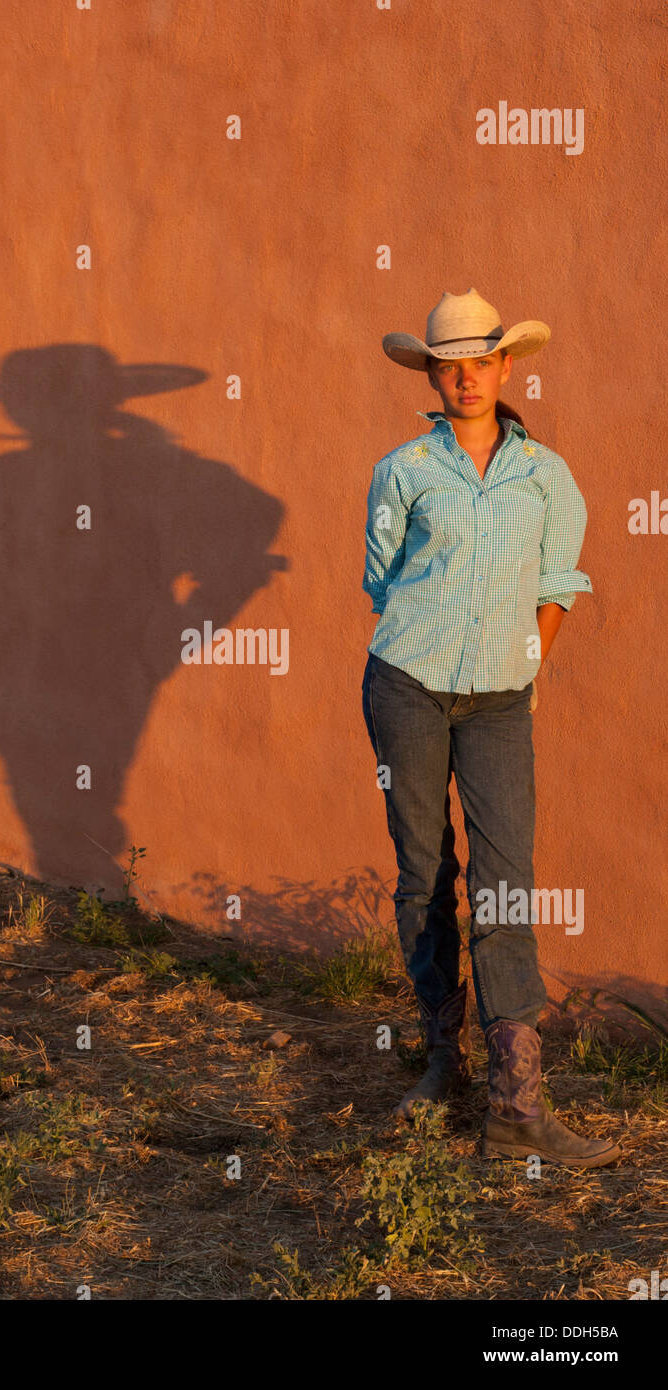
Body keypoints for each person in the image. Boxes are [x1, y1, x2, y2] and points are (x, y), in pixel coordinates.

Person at [361, 287, 620, 1168]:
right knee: (424, 868)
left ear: (507, 368)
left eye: (482, 361)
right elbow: (381, 578)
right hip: (407, 684)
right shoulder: (402, 471)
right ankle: (443, 1059)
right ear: (430, 374)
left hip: (503, 697)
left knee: (506, 879)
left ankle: (517, 1105)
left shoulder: (546, 474)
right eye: (449, 364)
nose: (466, 377)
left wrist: (526, 663)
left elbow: (561, 582)